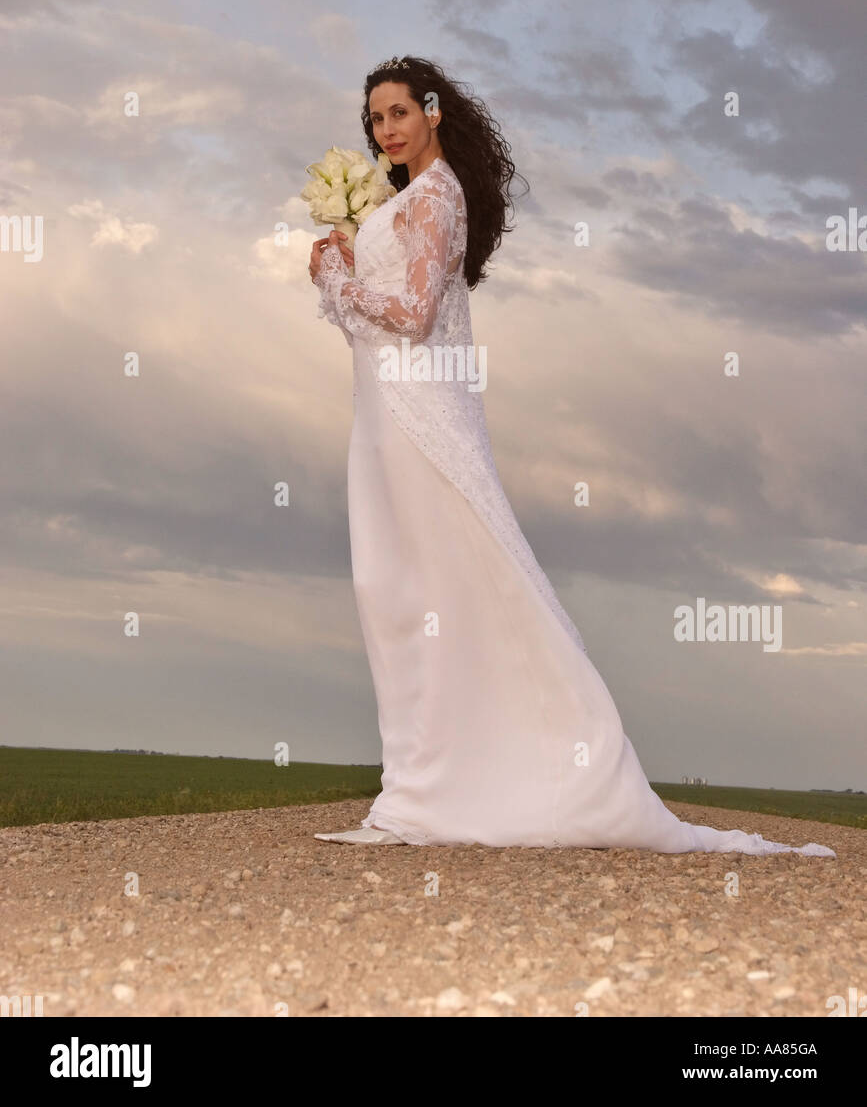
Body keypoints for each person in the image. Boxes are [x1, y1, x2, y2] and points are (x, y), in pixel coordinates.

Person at [307, 54, 835, 858]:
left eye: (398, 112)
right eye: (374, 118)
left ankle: (454, 786)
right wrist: (345, 271)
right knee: (398, 590)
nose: (386, 129)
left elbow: (411, 312)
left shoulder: (438, 196)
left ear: (433, 113)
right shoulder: (408, 197)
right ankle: (421, 782)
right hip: (383, 409)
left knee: (431, 587)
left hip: (419, 413)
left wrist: (336, 274)